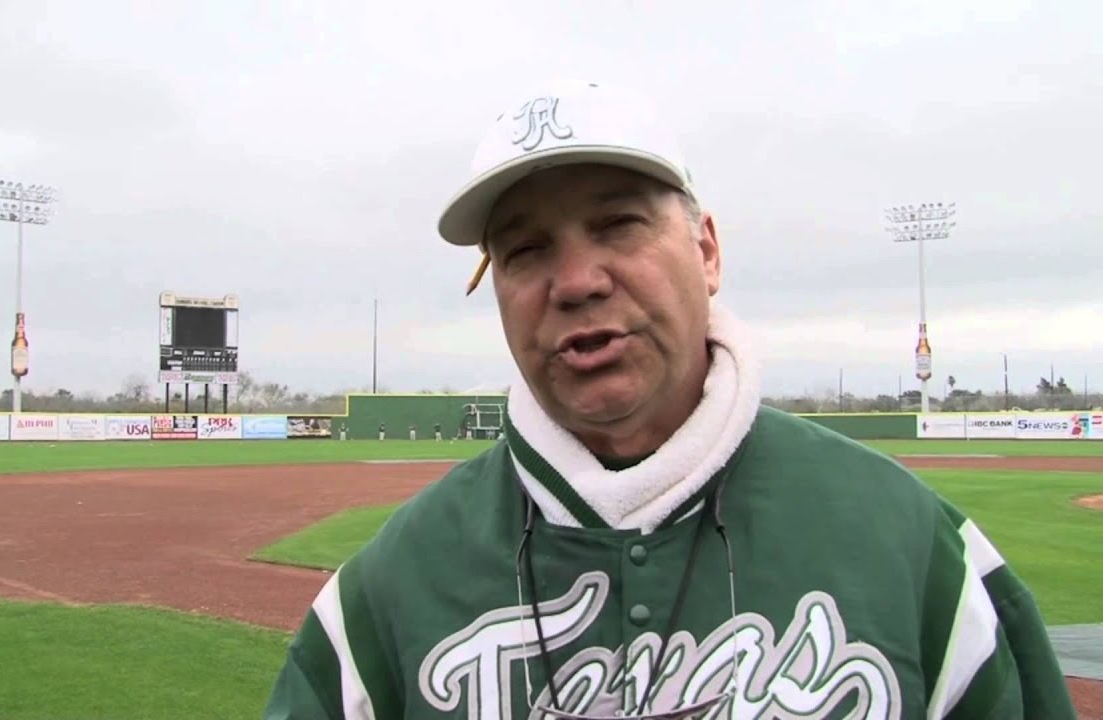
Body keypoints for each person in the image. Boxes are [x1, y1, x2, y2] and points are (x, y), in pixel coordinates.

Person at [264, 81, 1075, 719]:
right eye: (525, 250)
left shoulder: (911, 546)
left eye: (618, 224)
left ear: (707, 251)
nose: (577, 281)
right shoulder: (388, 589)